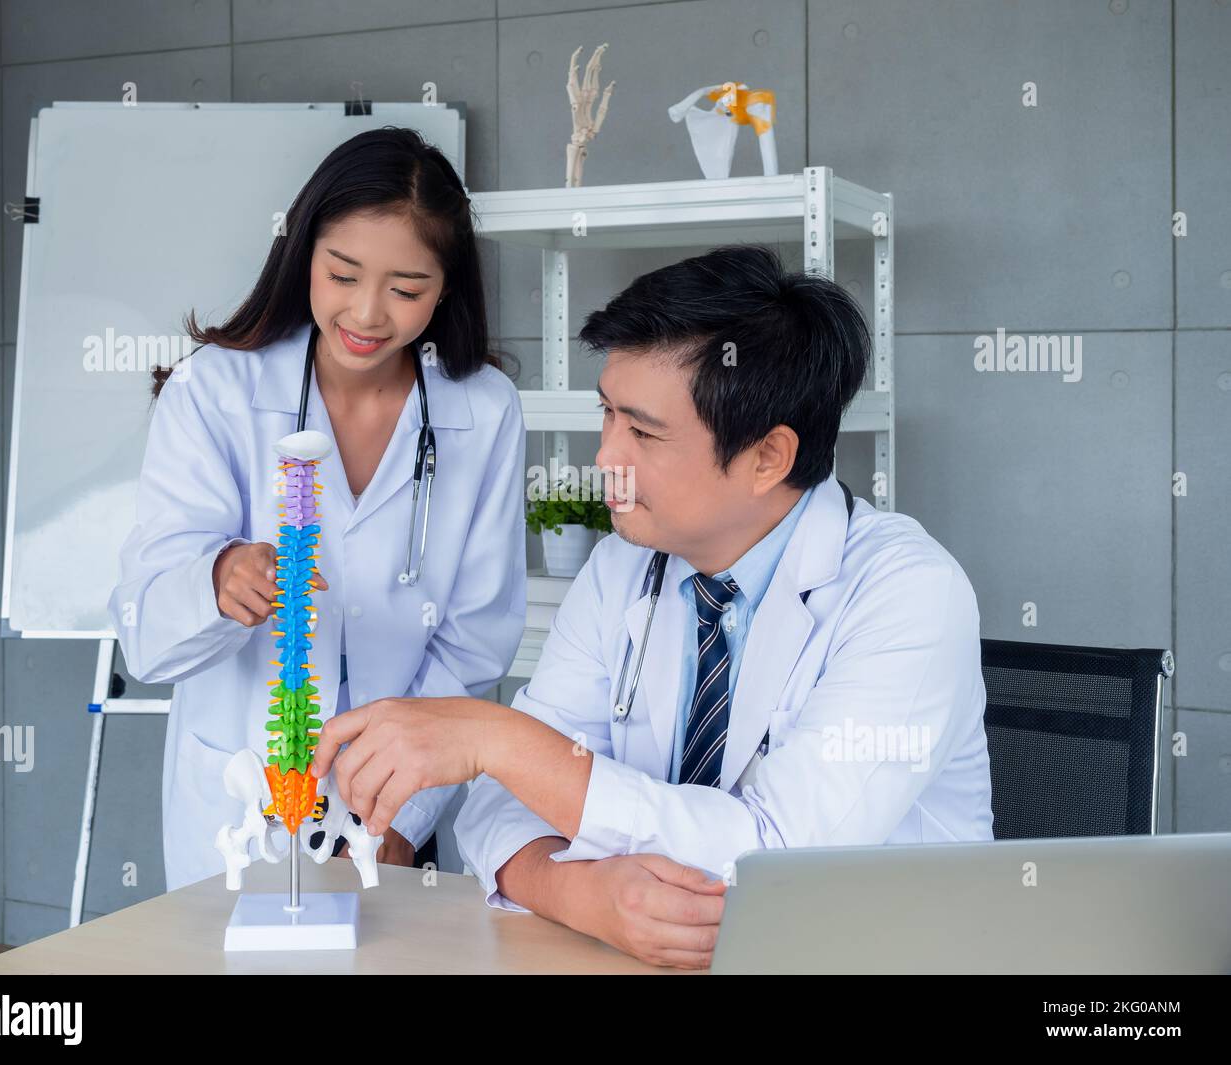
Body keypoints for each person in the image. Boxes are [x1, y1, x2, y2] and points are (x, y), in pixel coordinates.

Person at [309, 244, 993, 970]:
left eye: (642, 431)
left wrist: (498, 739)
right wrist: (582, 895)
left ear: (768, 456)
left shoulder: (907, 593)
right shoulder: (624, 567)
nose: (605, 457)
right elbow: (497, 808)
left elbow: (777, 861)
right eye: (607, 415)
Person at [108, 127, 526, 891]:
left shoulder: (484, 410)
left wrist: (401, 813)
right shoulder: (216, 391)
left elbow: (475, 642)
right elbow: (146, 635)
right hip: (237, 814)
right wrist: (218, 579)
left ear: (447, 286)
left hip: (391, 820)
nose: (368, 314)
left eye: (407, 290)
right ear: (303, 251)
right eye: (342, 274)